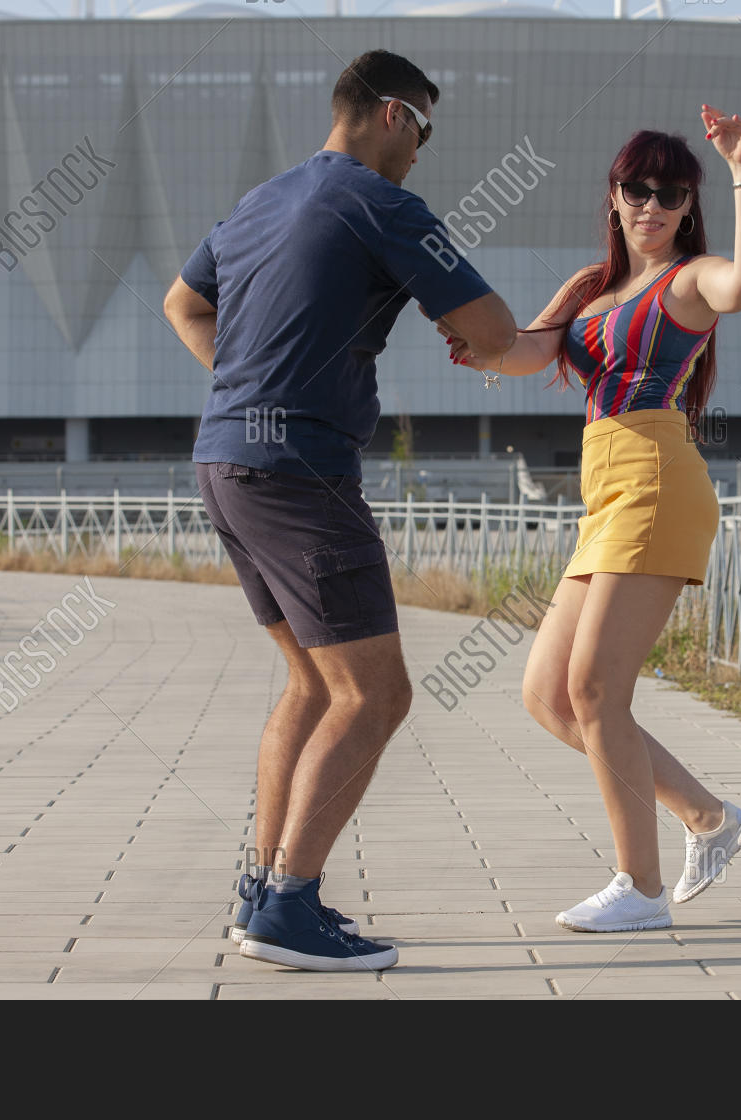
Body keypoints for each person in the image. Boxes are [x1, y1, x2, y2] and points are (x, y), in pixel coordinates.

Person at [163, 49, 518, 970]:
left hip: (225, 463)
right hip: (302, 475)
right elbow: (496, 334)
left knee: (313, 685)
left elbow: (182, 304)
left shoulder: (259, 201)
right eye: (426, 131)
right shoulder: (382, 203)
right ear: (394, 115)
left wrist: (248, 390)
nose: (423, 153)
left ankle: (261, 889)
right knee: (379, 693)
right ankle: (290, 906)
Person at [441, 108, 741, 931]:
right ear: (616, 195)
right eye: (638, 189)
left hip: (657, 481)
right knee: (549, 697)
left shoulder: (690, 280)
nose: (652, 205)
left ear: (688, 204)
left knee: (595, 690)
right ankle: (710, 818)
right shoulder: (590, 287)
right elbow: (526, 351)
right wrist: (475, 341)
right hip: (607, 493)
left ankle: (642, 889)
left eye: (670, 193)